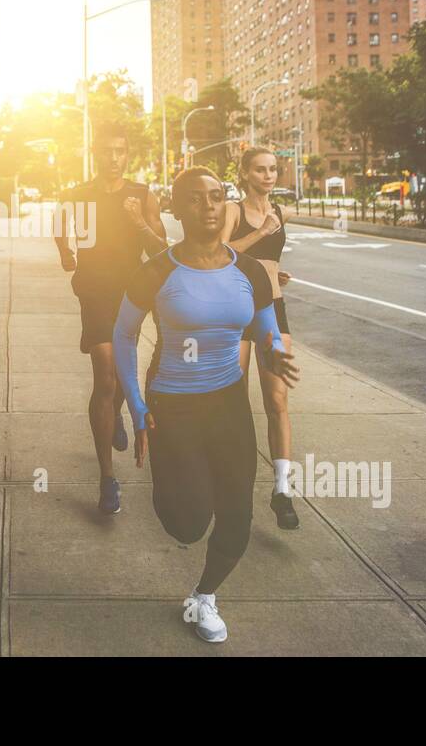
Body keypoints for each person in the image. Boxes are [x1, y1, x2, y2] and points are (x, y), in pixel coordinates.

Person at [114, 167, 299, 643]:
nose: (210, 207)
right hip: (172, 405)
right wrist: (136, 406)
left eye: (217, 197)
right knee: (187, 523)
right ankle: (175, 490)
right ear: (177, 209)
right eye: (196, 199)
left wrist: (276, 349)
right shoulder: (157, 270)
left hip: (227, 403)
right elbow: (124, 334)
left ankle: (205, 596)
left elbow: (264, 326)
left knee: (238, 513)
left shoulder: (250, 271)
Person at [54, 124, 167, 515]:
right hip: (95, 292)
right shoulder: (79, 195)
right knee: (105, 374)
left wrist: (138, 220)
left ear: (127, 154)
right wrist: (66, 254)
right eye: (107, 150)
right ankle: (107, 478)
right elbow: (60, 225)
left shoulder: (141, 194)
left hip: (131, 293)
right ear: (95, 152)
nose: (113, 157)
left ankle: (117, 410)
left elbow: (160, 245)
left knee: (119, 376)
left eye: (120, 150)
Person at [222, 146, 299, 529]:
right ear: (246, 174)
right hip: (236, 309)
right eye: (260, 170)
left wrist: (273, 273)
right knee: (232, 397)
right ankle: (230, 482)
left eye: (273, 169)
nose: (269, 176)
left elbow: (269, 260)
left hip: (272, 308)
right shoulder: (234, 211)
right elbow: (218, 254)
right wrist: (261, 235)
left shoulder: (280, 213)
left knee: (277, 397)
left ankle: (282, 490)